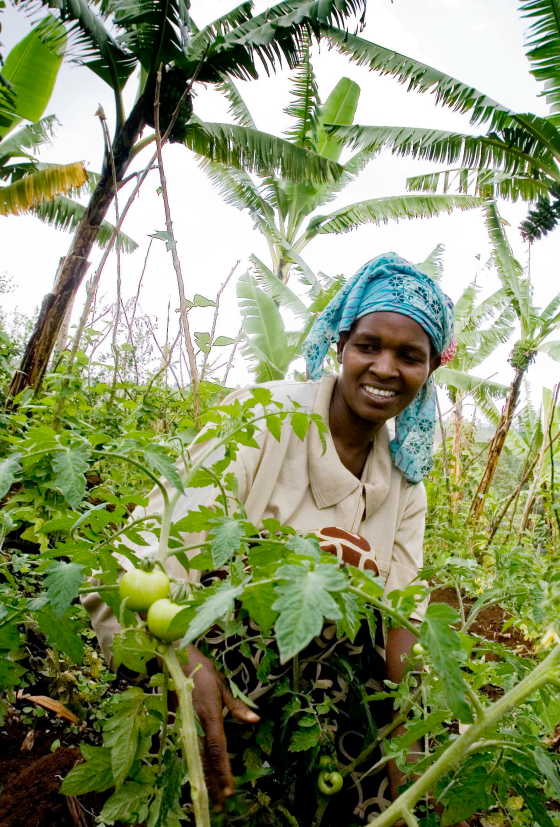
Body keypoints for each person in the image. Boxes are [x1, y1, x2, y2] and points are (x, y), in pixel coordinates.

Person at [83, 252, 455, 823]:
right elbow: (131, 565)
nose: (384, 368)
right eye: (369, 346)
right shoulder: (264, 421)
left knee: (370, 653)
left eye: (409, 356)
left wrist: (412, 756)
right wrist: (184, 660)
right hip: (209, 663)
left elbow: (400, 618)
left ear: (430, 369)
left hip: (313, 703)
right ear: (341, 344)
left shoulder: (405, 478)